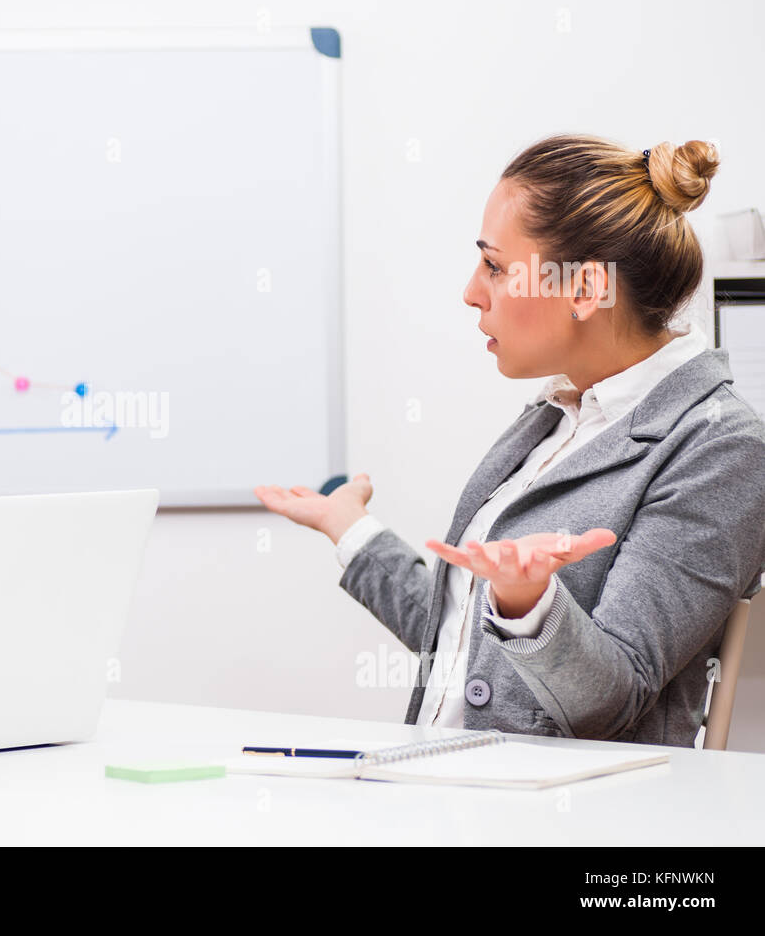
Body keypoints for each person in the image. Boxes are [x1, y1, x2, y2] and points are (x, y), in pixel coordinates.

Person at [256, 136, 765, 747]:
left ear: (584, 290)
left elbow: (614, 696)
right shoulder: (555, 420)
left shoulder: (720, 447)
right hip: (446, 790)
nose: (472, 292)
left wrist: (531, 605)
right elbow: (467, 640)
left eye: (495, 267)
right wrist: (352, 529)